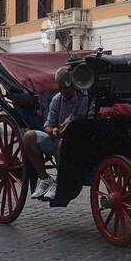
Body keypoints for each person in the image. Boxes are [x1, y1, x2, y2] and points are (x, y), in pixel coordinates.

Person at [23, 68, 90, 200]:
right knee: (29, 136)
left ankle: (60, 182)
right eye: (61, 88)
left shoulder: (84, 97)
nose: (64, 91)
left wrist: (73, 123)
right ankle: (44, 178)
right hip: (58, 140)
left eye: (66, 88)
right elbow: (48, 125)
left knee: (62, 145)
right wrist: (52, 131)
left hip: (78, 143)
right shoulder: (57, 99)